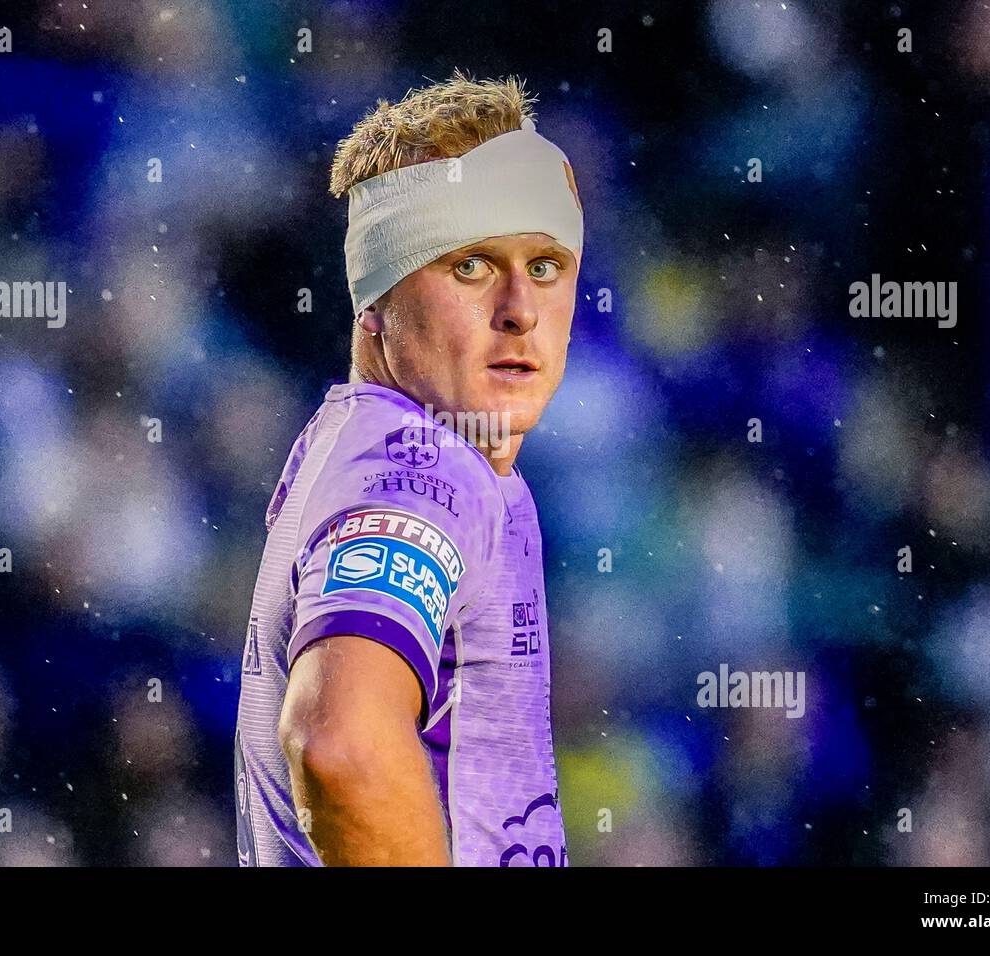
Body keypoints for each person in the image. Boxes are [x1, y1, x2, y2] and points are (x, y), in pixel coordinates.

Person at [234, 70, 583, 866]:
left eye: (546, 265)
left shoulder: (371, 441)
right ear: (375, 304)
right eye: (469, 265)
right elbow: (338, 740)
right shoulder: (422, 462)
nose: (519, 309)